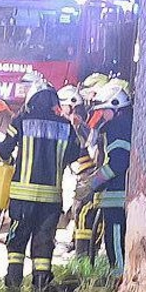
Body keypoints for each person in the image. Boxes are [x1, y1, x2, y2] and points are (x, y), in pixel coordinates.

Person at [0, 77, 81, 292]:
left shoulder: (21, 120)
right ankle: (41, 285)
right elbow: (75, 153)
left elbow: (4, 150)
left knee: (17, 240)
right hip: (51, 198)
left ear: (31, 99)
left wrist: (10, 161)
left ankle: (13, 284)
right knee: (44, 242)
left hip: (22, 197)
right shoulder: (66, 126)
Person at [75, 77, 132, 277]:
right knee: (114, 238)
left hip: (117, 194)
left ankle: (120, 278)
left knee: (115, 238)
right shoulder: (125, 124)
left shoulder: (118, 127)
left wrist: (93, 182)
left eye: (104, 111)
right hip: (118, 195)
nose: (102, 115)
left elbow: (117, 163)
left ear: (115, 107)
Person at [58, 84, 98, 260]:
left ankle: (82, 254)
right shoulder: (71, 122)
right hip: (76, 172)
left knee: (80, 211)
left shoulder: (78, 123)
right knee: (74, 210)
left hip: (84, 172)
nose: (60, 108)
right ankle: (75, 245)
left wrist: (77, 124)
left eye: (63, 105)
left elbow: (87, 143)